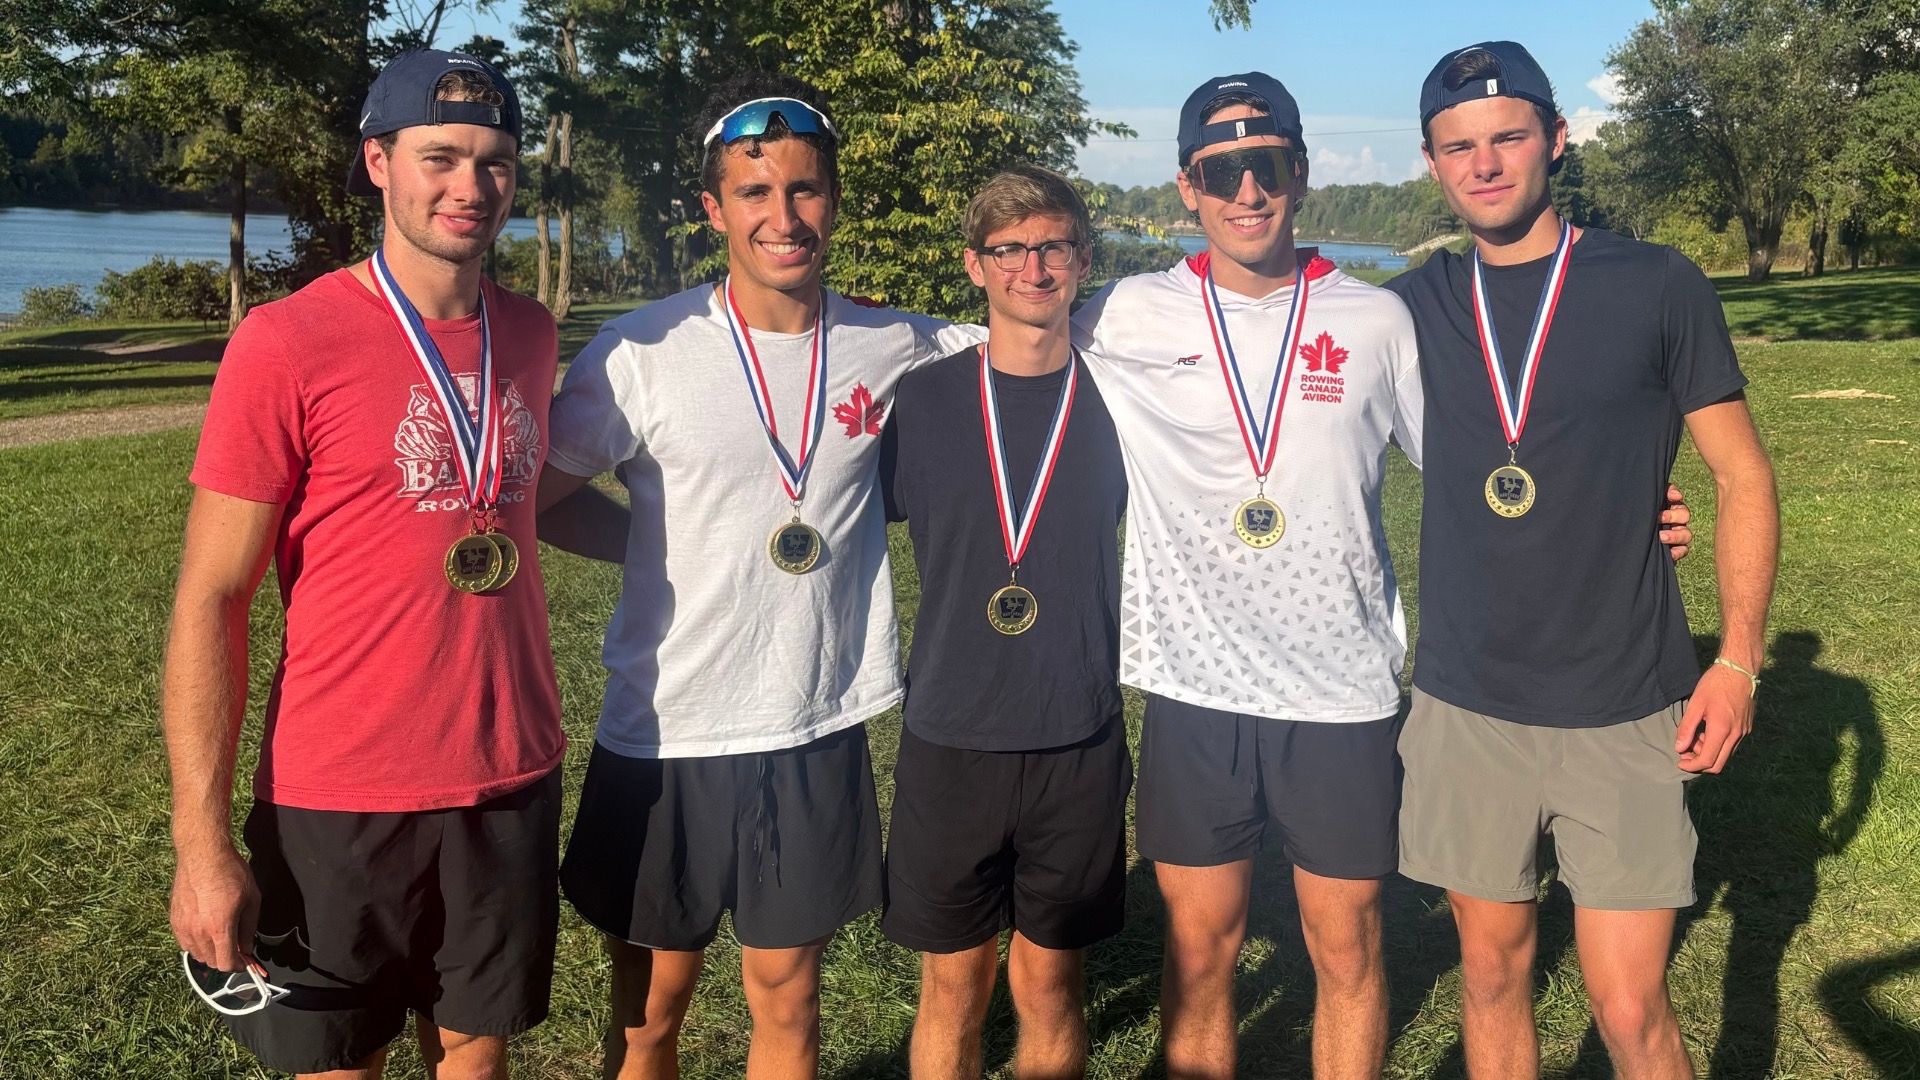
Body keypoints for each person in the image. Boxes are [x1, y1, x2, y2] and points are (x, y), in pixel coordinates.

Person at [533, 73, 979, 1080]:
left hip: (811, 722)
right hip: (666, 729)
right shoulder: (640, 353)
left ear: (833, 200)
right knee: (651, 1013)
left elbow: (1035, 341)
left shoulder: (892, 340)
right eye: (755, 192)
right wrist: (660, 546)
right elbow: (543, 502)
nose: (784, 217)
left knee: (790, 1000)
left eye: (806, 190)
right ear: (713, 209)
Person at [162, 49, 565, 1079]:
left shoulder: (529, 334)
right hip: (338, 794)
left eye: (496, 162)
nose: (471, 187)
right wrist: (202, 846)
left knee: (475, 1061)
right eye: (441, 157)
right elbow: (212, 599)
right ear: (378, 161)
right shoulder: (286, 341)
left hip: (504, 773)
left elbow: (527, 500)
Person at [1384, 41, 1779, 1079]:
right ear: (1431, 163)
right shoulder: (1408, 308)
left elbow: (1740, 475)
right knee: (1492, 975)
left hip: (1626, 704)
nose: (1484, 164)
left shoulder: (1656, 282)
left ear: (1556, 140)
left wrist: (1736, 661)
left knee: (1630, 1005)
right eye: (1458, 147)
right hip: (1469, 704)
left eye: (1508, 136)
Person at [1070, 72, 1423, 1080]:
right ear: (1188, 186)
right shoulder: (1125, 316)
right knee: (1200, 951)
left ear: (1300, 173)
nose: (1247, 192)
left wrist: (1624, 512)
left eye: (1266, 166)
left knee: (1346, 945)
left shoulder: (1376, 322)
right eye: (1221, 171)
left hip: (1341, 691)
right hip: (1196, 690)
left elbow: (1481, 467)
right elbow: (1007, 336)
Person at [879, 165, 1130, 1079]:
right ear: (974, 266)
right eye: (1009, 249)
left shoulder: (1126, 401)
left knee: (1053, 989)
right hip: (952, 735)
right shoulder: (921, 402)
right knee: (953, 992)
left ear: (1083, 258)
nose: (1034, 267)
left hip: (1078, 732)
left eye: (1054, 245)